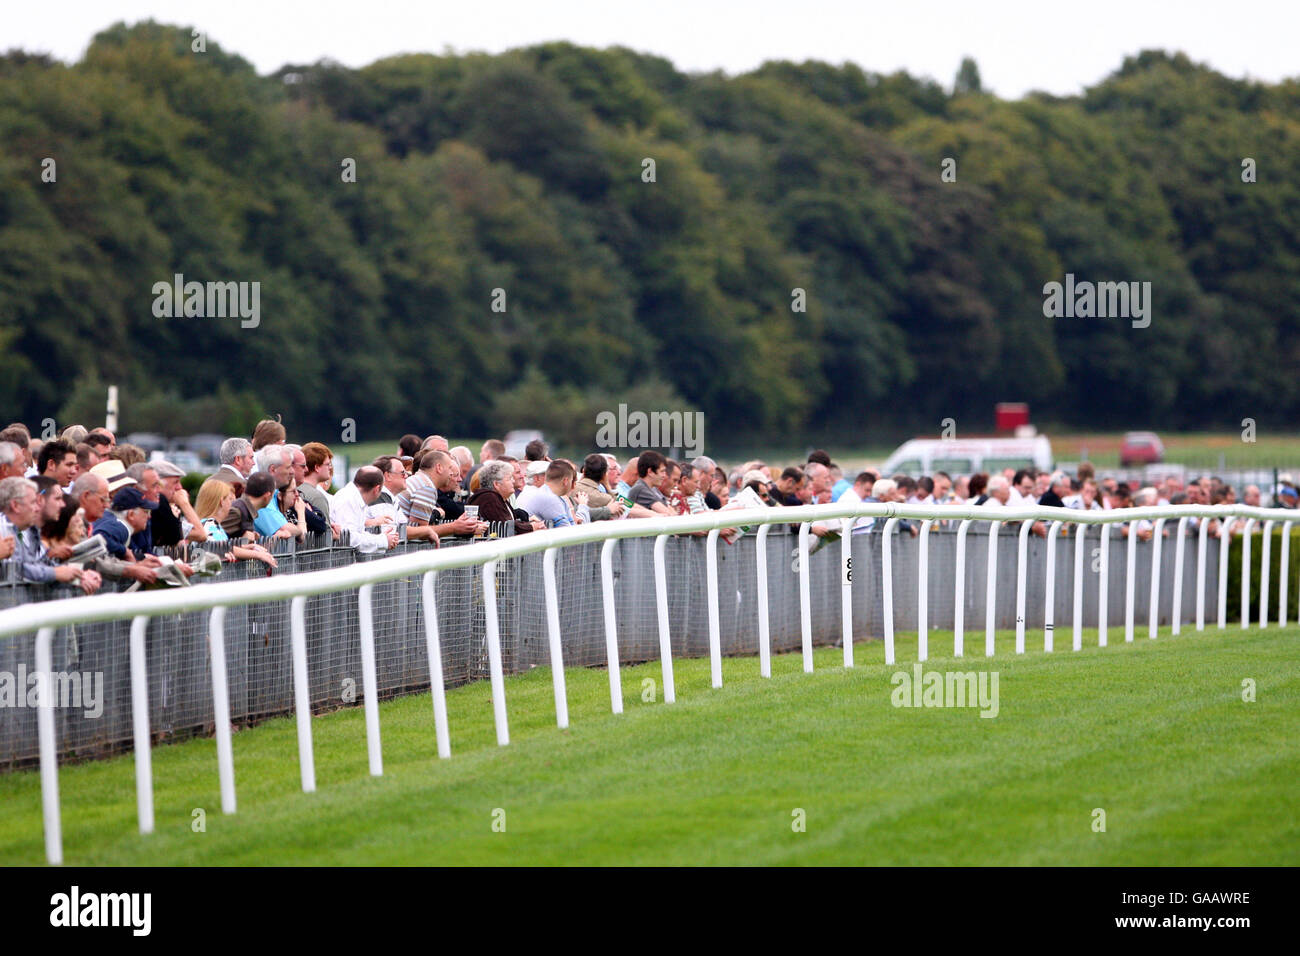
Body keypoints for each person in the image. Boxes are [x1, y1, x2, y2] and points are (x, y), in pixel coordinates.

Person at [0, 476, 99, 592]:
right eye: (33, 502)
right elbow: (16, 571)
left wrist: (78, 576)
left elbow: (38, 566)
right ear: (15, 506)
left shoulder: (27, 531)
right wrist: (56, 573)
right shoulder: (4, 530)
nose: (37, 508)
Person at [193, 479, 277, 567]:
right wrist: (258, 555)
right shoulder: (209, 524)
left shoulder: (211, 524)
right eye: (230, 500)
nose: (232, 504)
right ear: (222, 502)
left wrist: (245, 548)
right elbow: (220, 548)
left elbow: (223, 547)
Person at [466, 461, 543, 534]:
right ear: (496, 484)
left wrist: (528, 523)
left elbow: (510, 522)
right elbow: (506, 525)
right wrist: (531, 527)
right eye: (509, 478)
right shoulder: (489, 498)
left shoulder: (497, 497)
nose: (513, 481)